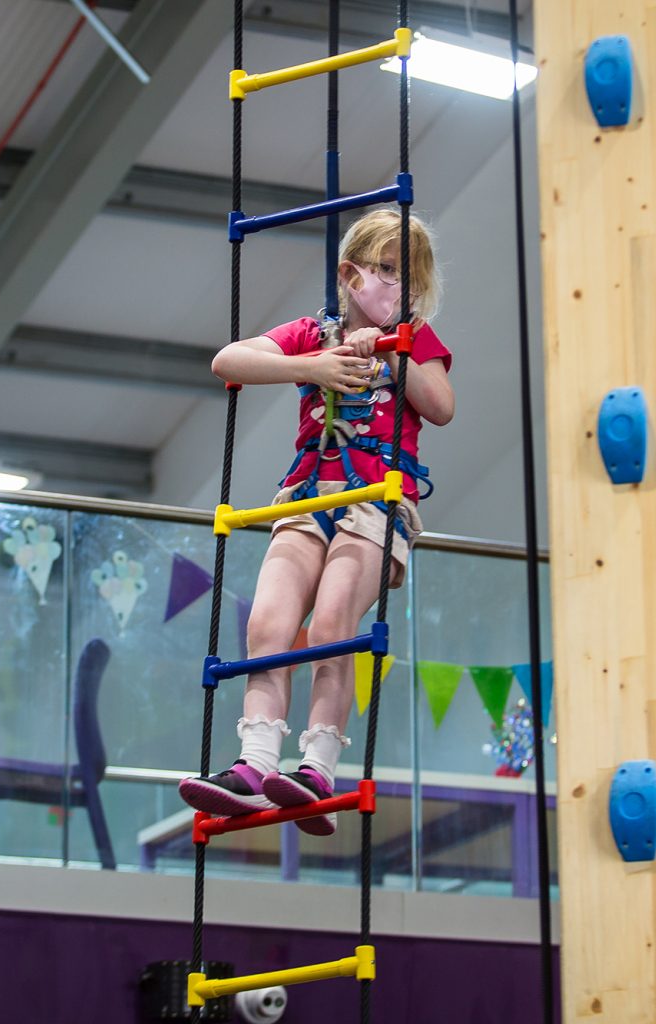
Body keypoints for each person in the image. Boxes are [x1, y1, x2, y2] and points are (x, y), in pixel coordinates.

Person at [178, 208, 453, 835]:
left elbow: (441, 407)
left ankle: (319, 763)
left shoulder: (414, 339)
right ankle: (255, 763)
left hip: (375, 500)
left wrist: (391, 357)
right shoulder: (312, 333)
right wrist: (314, 366)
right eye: (382, 271)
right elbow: (229, 360)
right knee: (269, 619)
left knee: (331, 622)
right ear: (350, 274)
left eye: (405, 277)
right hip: (307, 495)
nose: (394, 287)